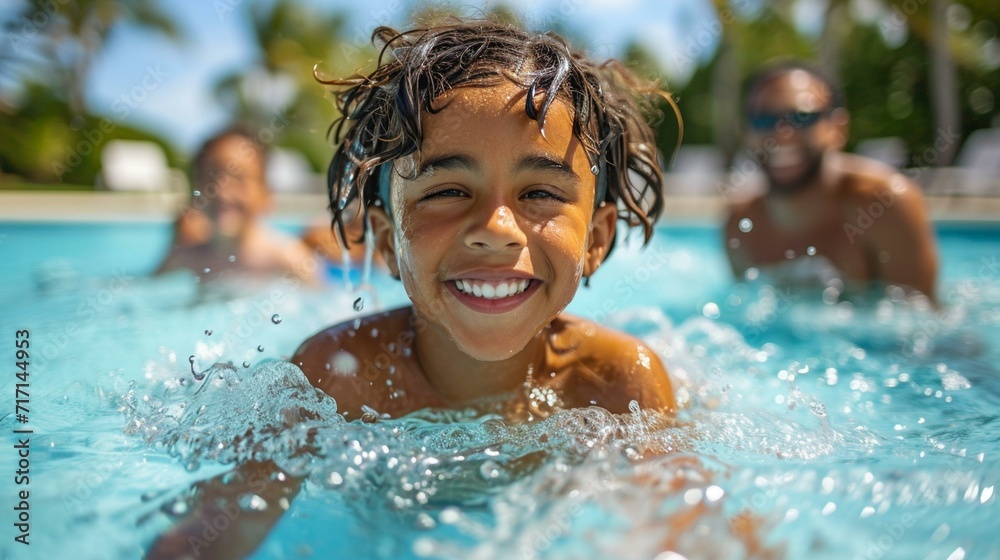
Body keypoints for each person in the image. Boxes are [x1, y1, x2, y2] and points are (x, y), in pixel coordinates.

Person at [147, 20, 682, 560]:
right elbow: (210, 536)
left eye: (539, 192)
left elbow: (691, 536)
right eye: (448, 190)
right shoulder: (340, 379)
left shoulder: (620, 386)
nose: (497, 228)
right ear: (386, 242)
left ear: (596, 239)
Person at [723, 61, 938, 302]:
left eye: (801, 117)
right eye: (763, 119)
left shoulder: (885, 204)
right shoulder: (740, 224)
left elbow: (921, 323)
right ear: (746, 133)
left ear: (837, 128)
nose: (782, 134)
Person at [156, 126, 320, 286]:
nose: (222, 193)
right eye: (211, 177)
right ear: (196, 190)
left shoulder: (288, 259)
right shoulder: (186, 258)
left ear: (265, 195)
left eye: (239, 179)